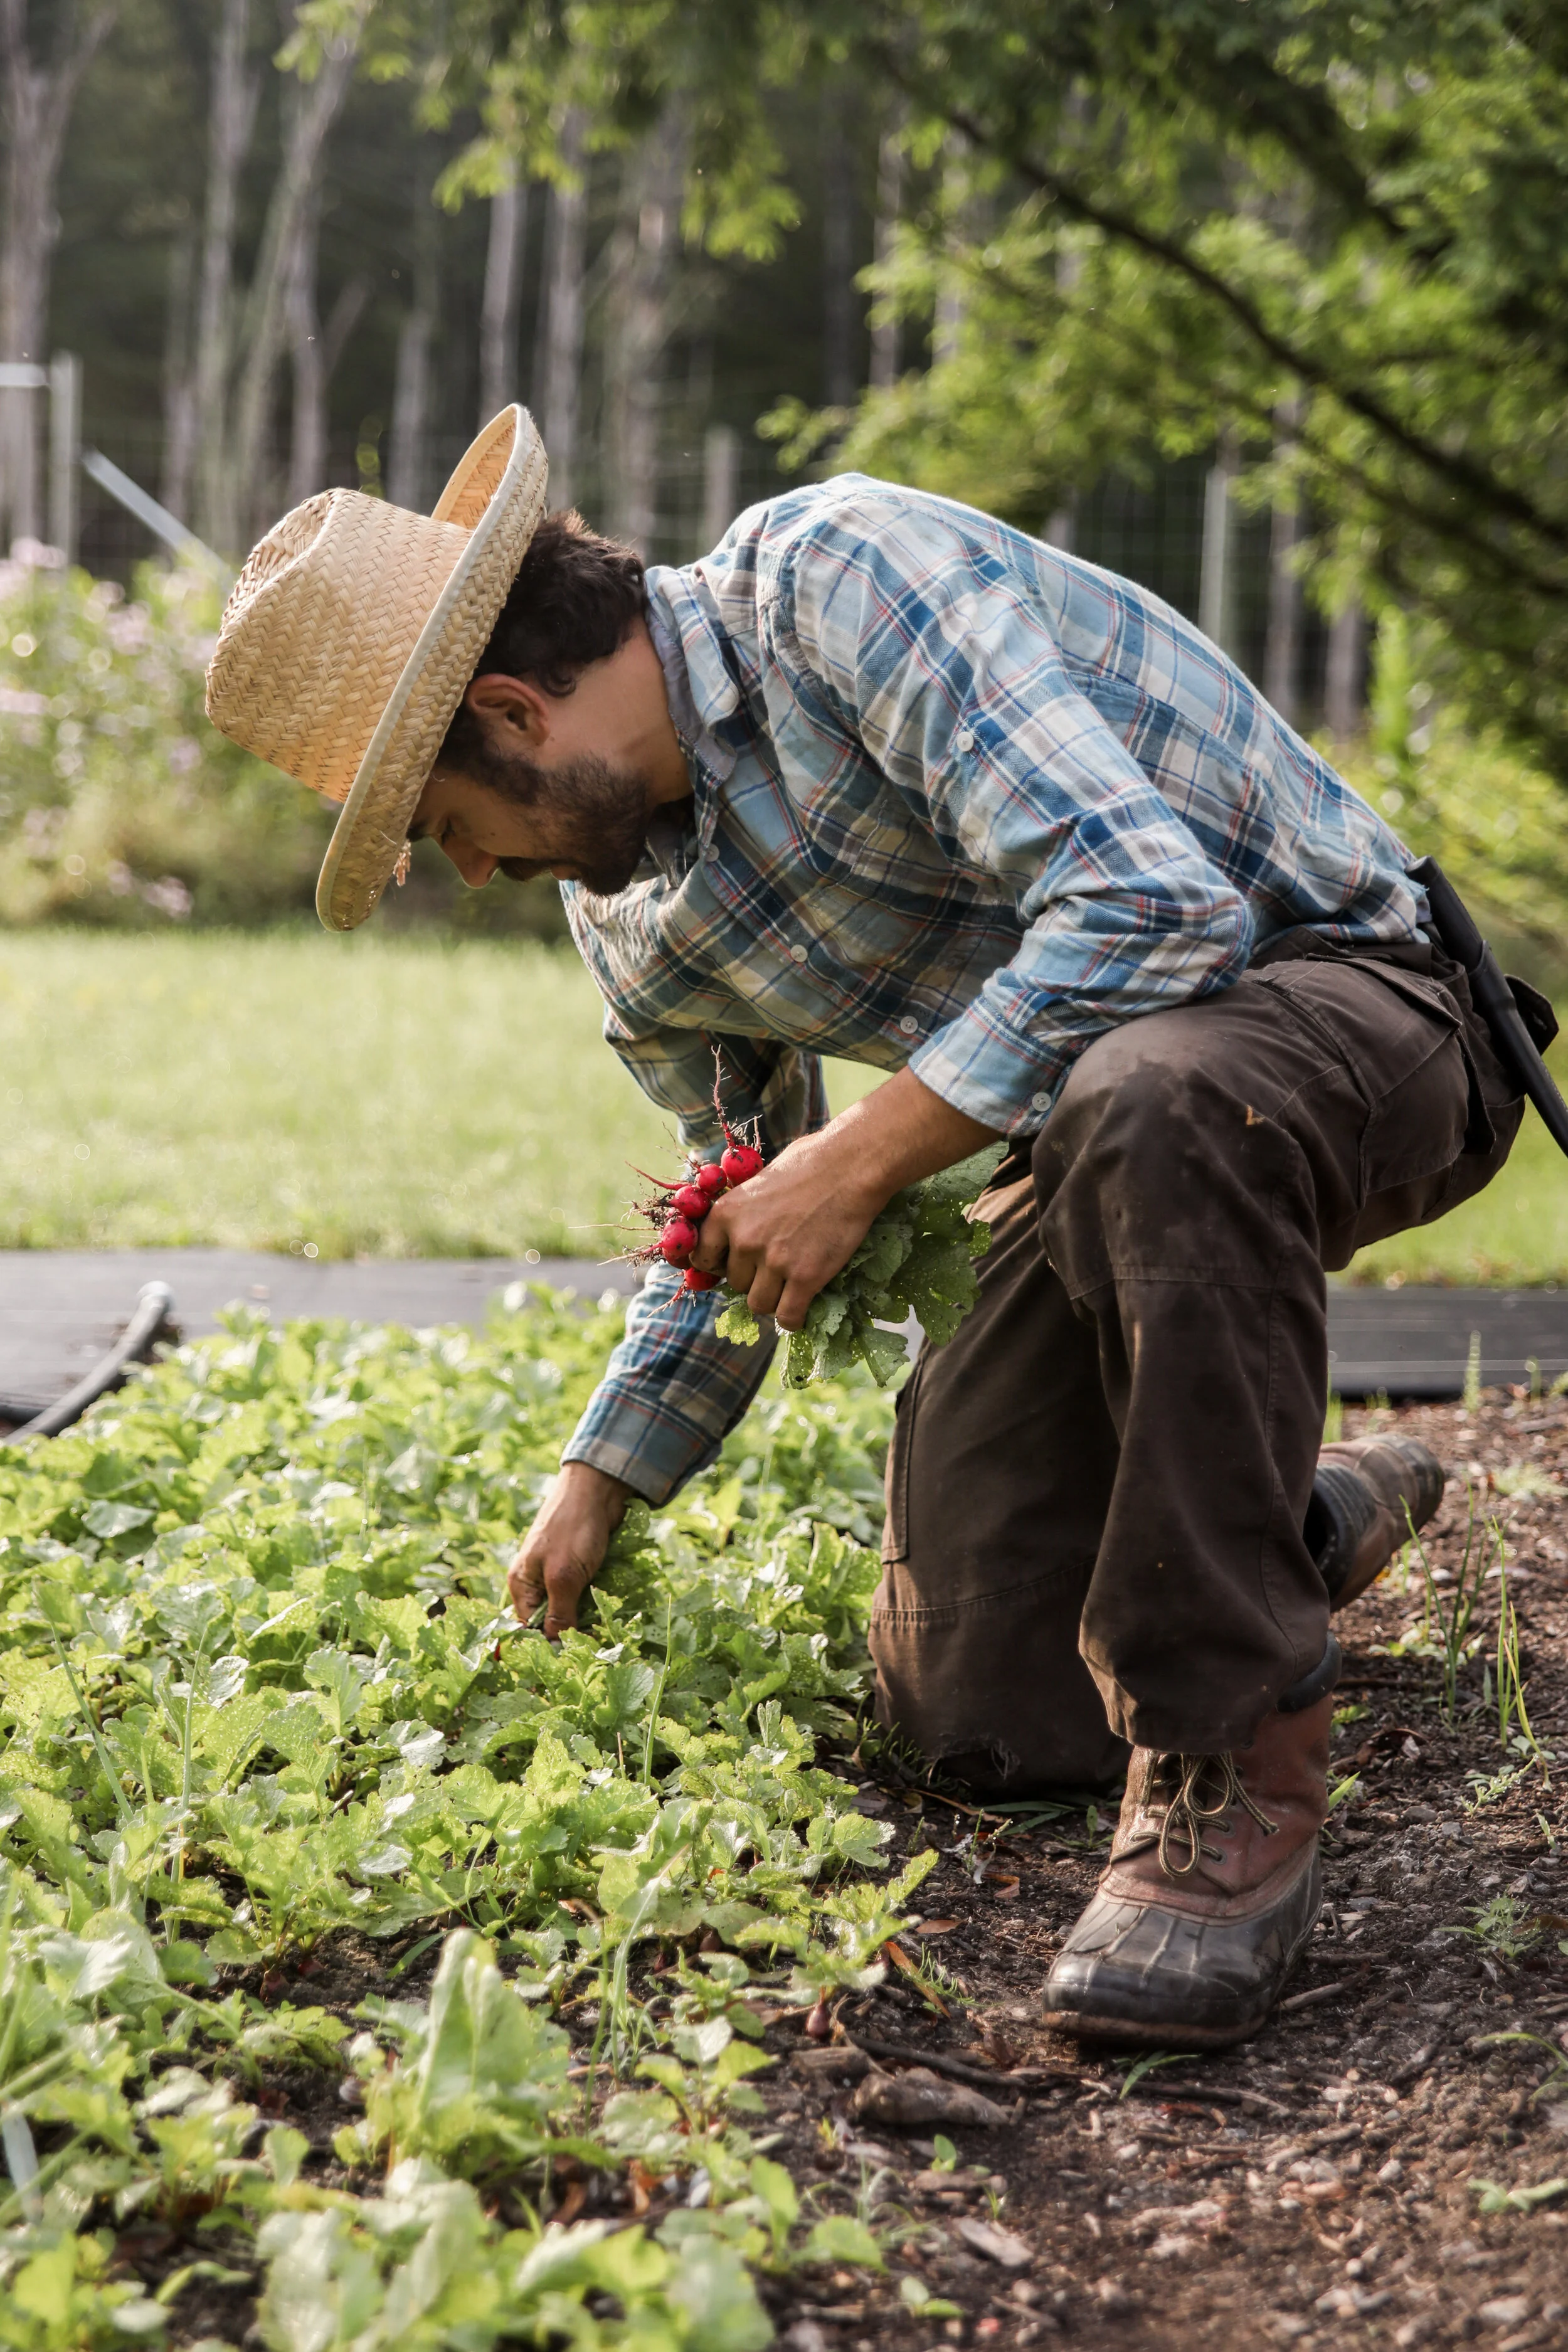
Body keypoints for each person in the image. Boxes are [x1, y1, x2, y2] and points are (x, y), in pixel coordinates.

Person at [206, 406, 1520, 2047]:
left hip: (1355, 1007)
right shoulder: (633, 921)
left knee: (1153, 1090)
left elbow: (1154, 911)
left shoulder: (838, 580)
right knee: (970, 1706)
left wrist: (859, 1162)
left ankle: (1228, 1770)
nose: (471, 873)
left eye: (447, 826)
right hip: (1101, 1136)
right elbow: (734, 1196)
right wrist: (600, 1475)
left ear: (513, 715)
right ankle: (1289, 1522)